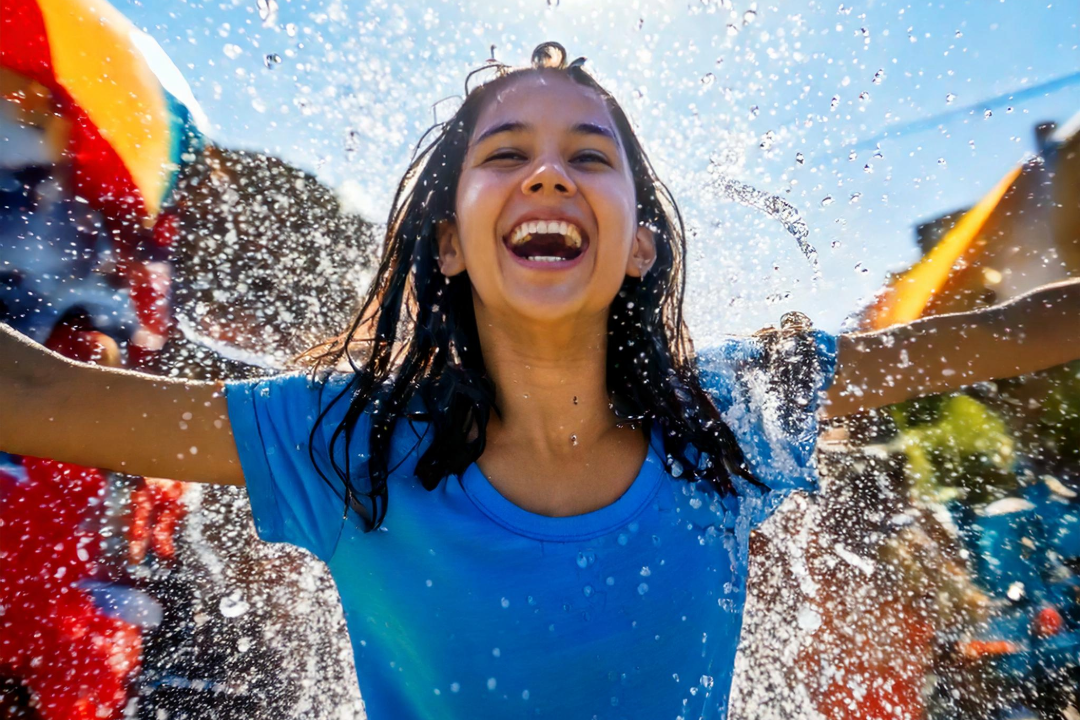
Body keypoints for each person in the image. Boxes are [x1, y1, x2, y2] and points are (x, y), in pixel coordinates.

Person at [1, 43, 1078, 719]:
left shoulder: (733, 414)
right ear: (454, 244)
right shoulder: (347, 441)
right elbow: (42, 398)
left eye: (590, 156)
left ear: (642, 247)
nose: (549, 170)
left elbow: (1025, 325)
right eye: (506, 151)